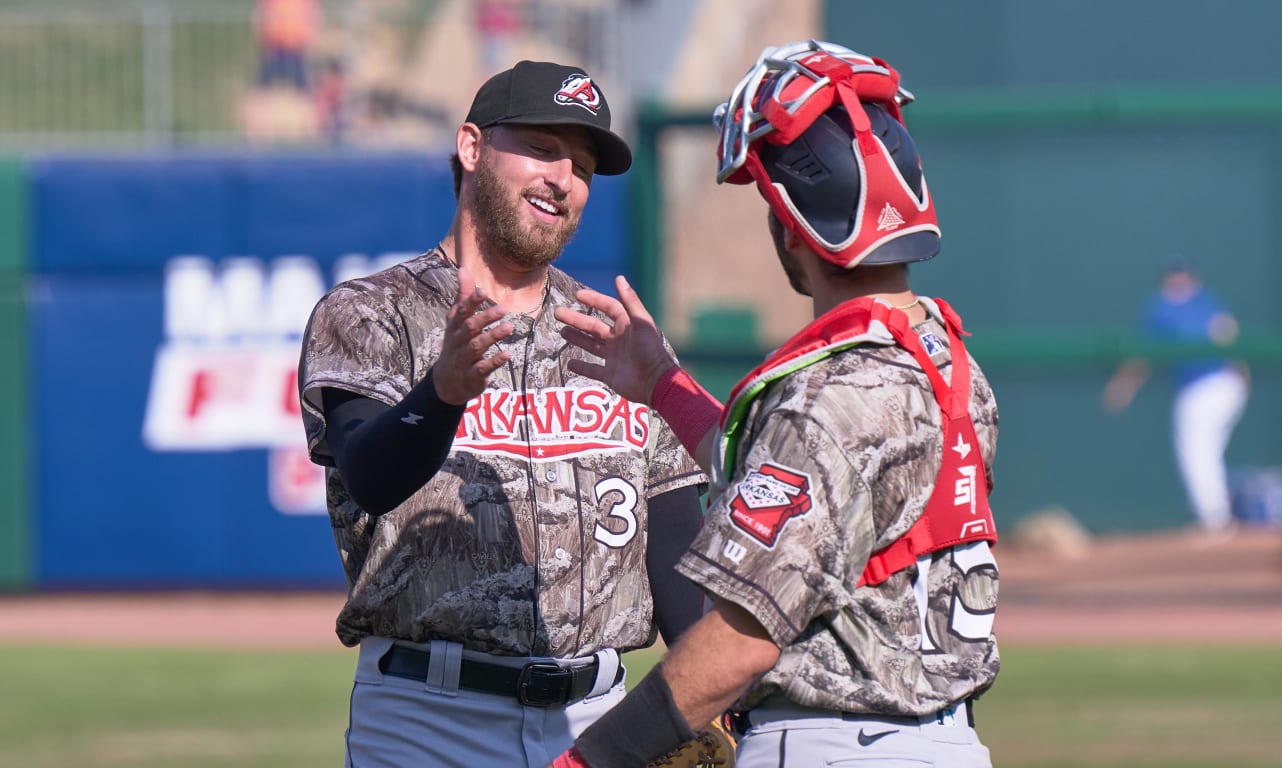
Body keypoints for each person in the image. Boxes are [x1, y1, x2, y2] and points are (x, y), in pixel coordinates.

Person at [547, 40, 1001, 768]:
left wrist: (583, 762)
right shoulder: (949, 362)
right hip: (946, 742)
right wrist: (663, 382)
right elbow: (802, 487)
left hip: (832, 744)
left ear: (789, 225)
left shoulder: (828, 397)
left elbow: (738, 644)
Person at [297, 60, 709, 767]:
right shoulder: (371, 313)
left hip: (600, 719)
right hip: (427, 719)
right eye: (543, 149)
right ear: (472, 148)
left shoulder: (614, 336)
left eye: (581, 165)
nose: (564, 179)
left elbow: (673, 542)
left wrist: (715, 701)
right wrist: (442, 393)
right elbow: (368, 473)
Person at [1102, 260, 1249, 537]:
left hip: (1210, 386)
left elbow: (1227, 333)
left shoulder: (1180, 305)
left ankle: (1215, 520)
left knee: (1197, 450)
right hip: (1223, 386)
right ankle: (1217, 515)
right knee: (1206, 449)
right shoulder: (1181, 304)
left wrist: (1123, 386)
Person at [254, 0, 320, 92]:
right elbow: (263, 13)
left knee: (301, 81)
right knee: (266, 80)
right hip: (277, 41)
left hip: (296, 42)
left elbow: (313, 14)